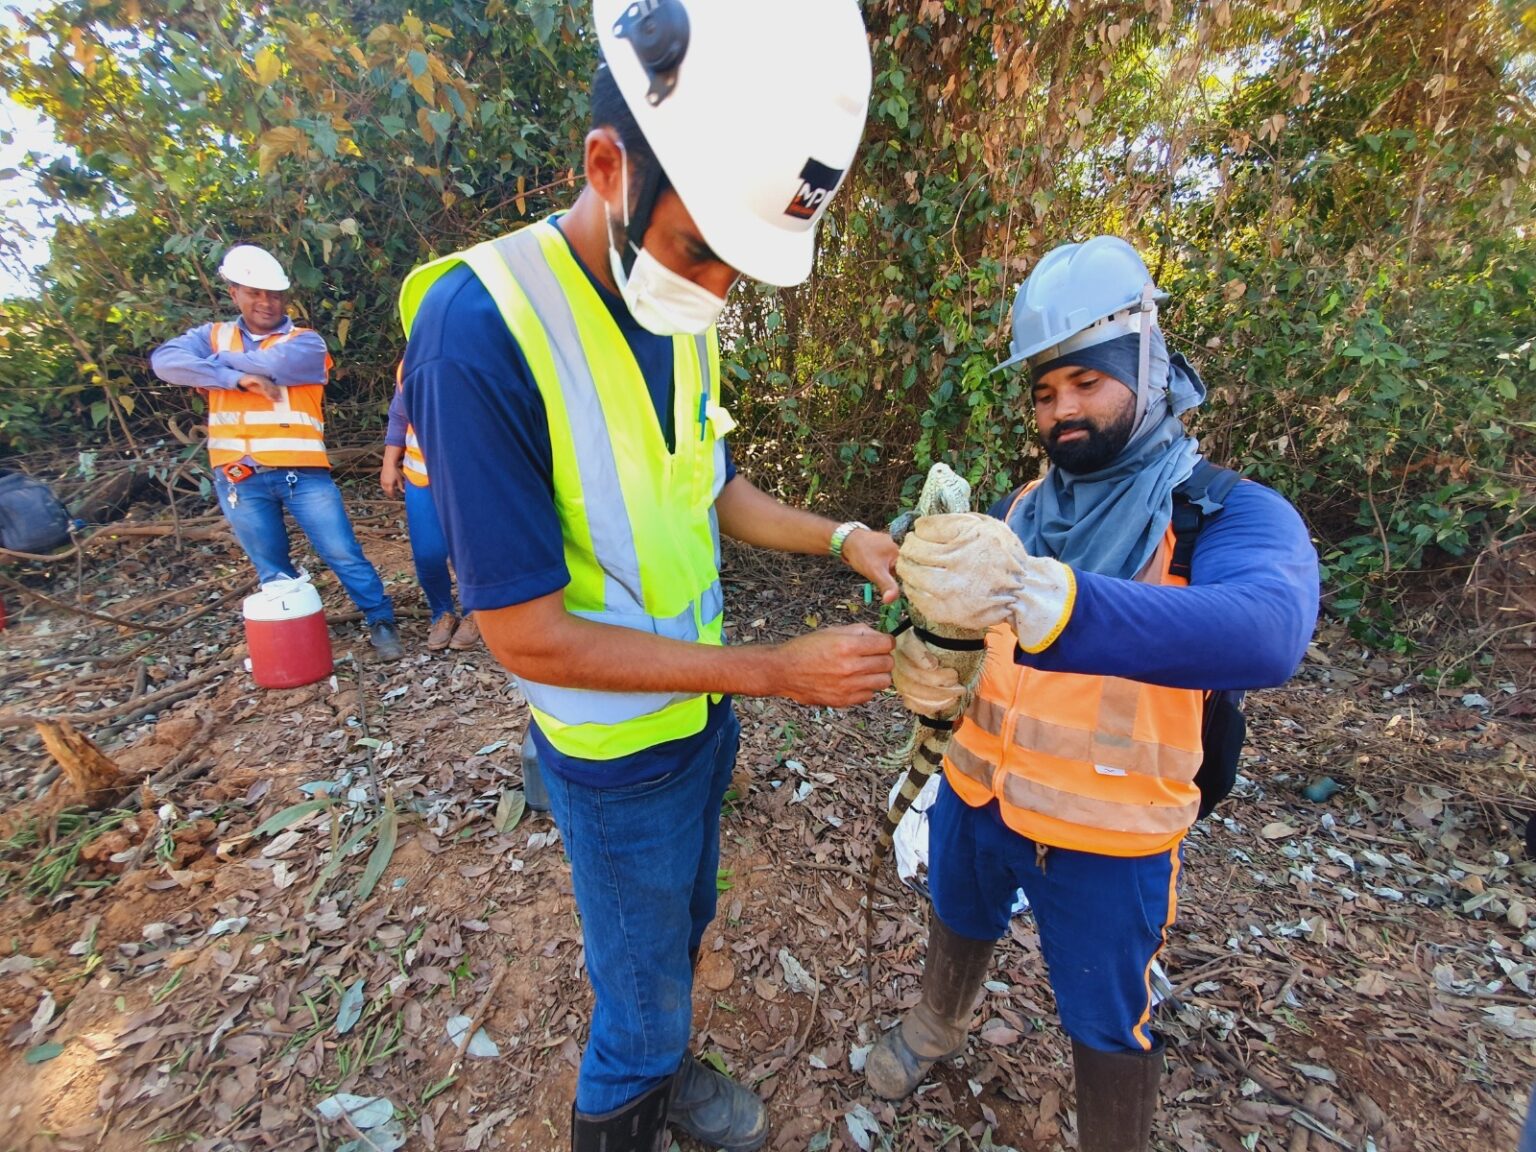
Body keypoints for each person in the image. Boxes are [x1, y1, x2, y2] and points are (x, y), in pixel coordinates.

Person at [398, 3, 892, 1148]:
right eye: (702, 252)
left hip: (700, 716)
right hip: (614, 756)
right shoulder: (482, 335)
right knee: (634, 995)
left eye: (733, 263)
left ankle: (664, 1053)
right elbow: (521, 636)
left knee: (681, 925)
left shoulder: (674, 298)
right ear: (608, 165)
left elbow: (708, 487)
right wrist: (774, 670)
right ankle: (637, 1086)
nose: (716, 289)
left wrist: (839, 539)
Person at [867, 236, 1320, 1152]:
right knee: (958, 915)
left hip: (1107, 838)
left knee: (1107, 1009)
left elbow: (1268, 631)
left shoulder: (1220, 514)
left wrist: (1063, 602)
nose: (1062, 408)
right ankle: (938, 1025)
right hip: (977, 794)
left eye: (1087, 381)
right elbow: (973, 638)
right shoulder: (1026, 507)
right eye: (1043, 390)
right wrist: (924, 662)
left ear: (1147, 368)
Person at [150, 244, 403, 660]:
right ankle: (298, 639)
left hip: (301, 473)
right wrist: (238, 379)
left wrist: (215, 368)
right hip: (238, 476)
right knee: (271, 566)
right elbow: (166, 363)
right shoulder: (210, 334)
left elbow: (277, 366)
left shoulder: (306, 343)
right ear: (234, 293)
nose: (266, 302)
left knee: (342, 552)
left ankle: (380, 619)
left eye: (274, 294)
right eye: (254, 292)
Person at [380, 373, 479, 651]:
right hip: (421, 476)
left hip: (471, 477)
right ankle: (442, 613)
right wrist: (390, 464)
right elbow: (400, 417)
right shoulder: (409, 363)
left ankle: (477, 612)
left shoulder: (478, 350)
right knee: (428, 553)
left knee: (468, 550)